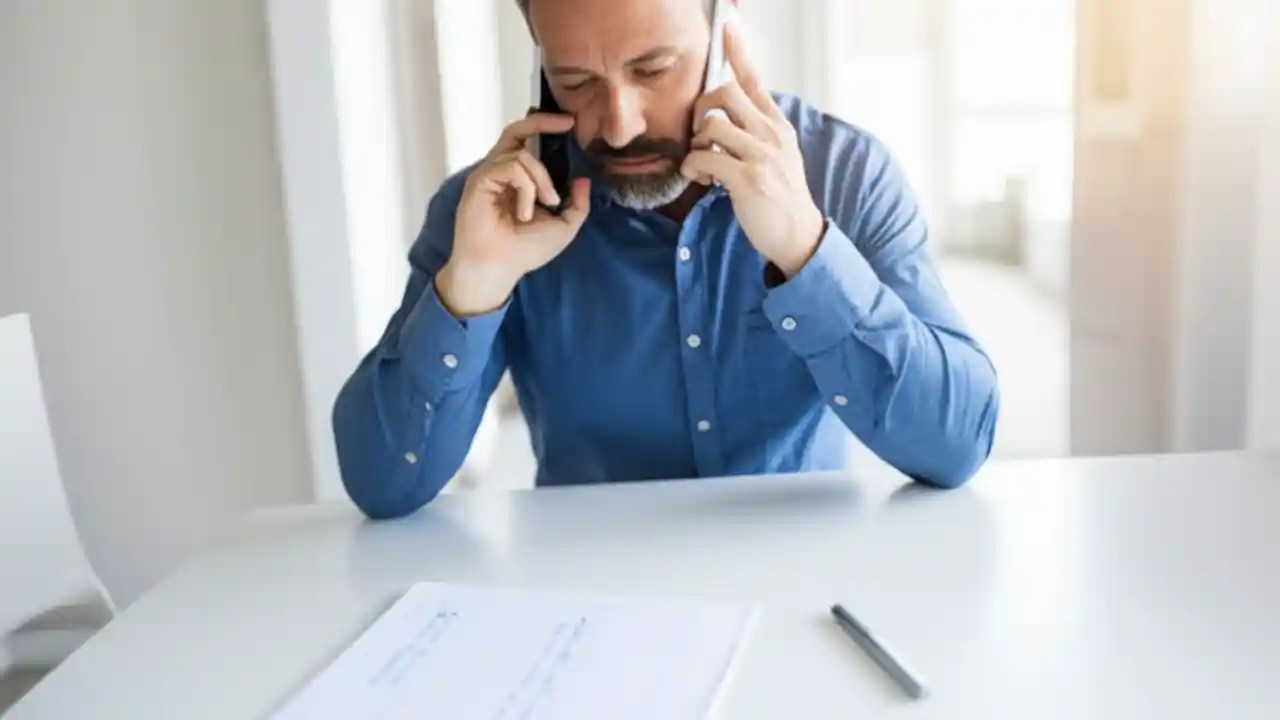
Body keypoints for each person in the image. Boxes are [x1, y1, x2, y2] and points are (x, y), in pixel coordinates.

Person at [332, 0, 1000, 519]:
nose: (617, 124)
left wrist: (805, 248)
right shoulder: (490, 211)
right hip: (593, 603)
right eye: (575, 81)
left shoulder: (844, 174)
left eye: (653, 70)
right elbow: (382, 482)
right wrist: (472, 285)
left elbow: (957, 443)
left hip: (804, 588)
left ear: (724, 27)